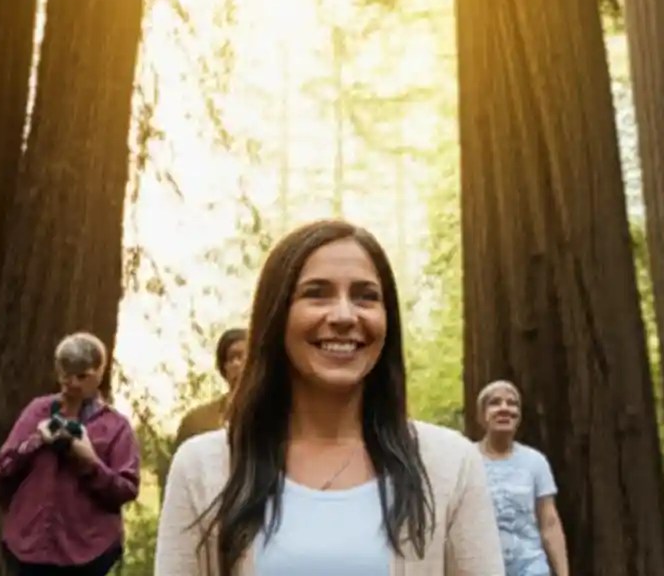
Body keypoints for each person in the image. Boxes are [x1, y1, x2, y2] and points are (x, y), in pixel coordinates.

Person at [155, 219, 505, 576]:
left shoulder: (449, 466)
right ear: (276, 314)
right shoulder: (204, 468)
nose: (343, 316)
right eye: (316, 293)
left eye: (365, 296)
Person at [0, 332, 141, 575]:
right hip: (30, 546)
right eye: (65, 375)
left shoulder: (116, 426)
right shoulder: (37, 410)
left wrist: (90, 462)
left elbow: (127, 488)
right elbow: (2, 467)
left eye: (82, 376)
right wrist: (35, 441)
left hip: (87, 551)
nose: (72, 383)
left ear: (100, 372)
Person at [476, 380, 570, 576]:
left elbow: (550, 523)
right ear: (482, 415)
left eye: (512, 403)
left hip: (531, 568)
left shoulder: (535, 461)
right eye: (495, 403)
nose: (505, 408)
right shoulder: (466, 458)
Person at [173, 327, 247, 449]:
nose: (236, 364)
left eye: (241, 356)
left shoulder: (279, 418)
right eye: (230, 359)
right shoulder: (196, 422)